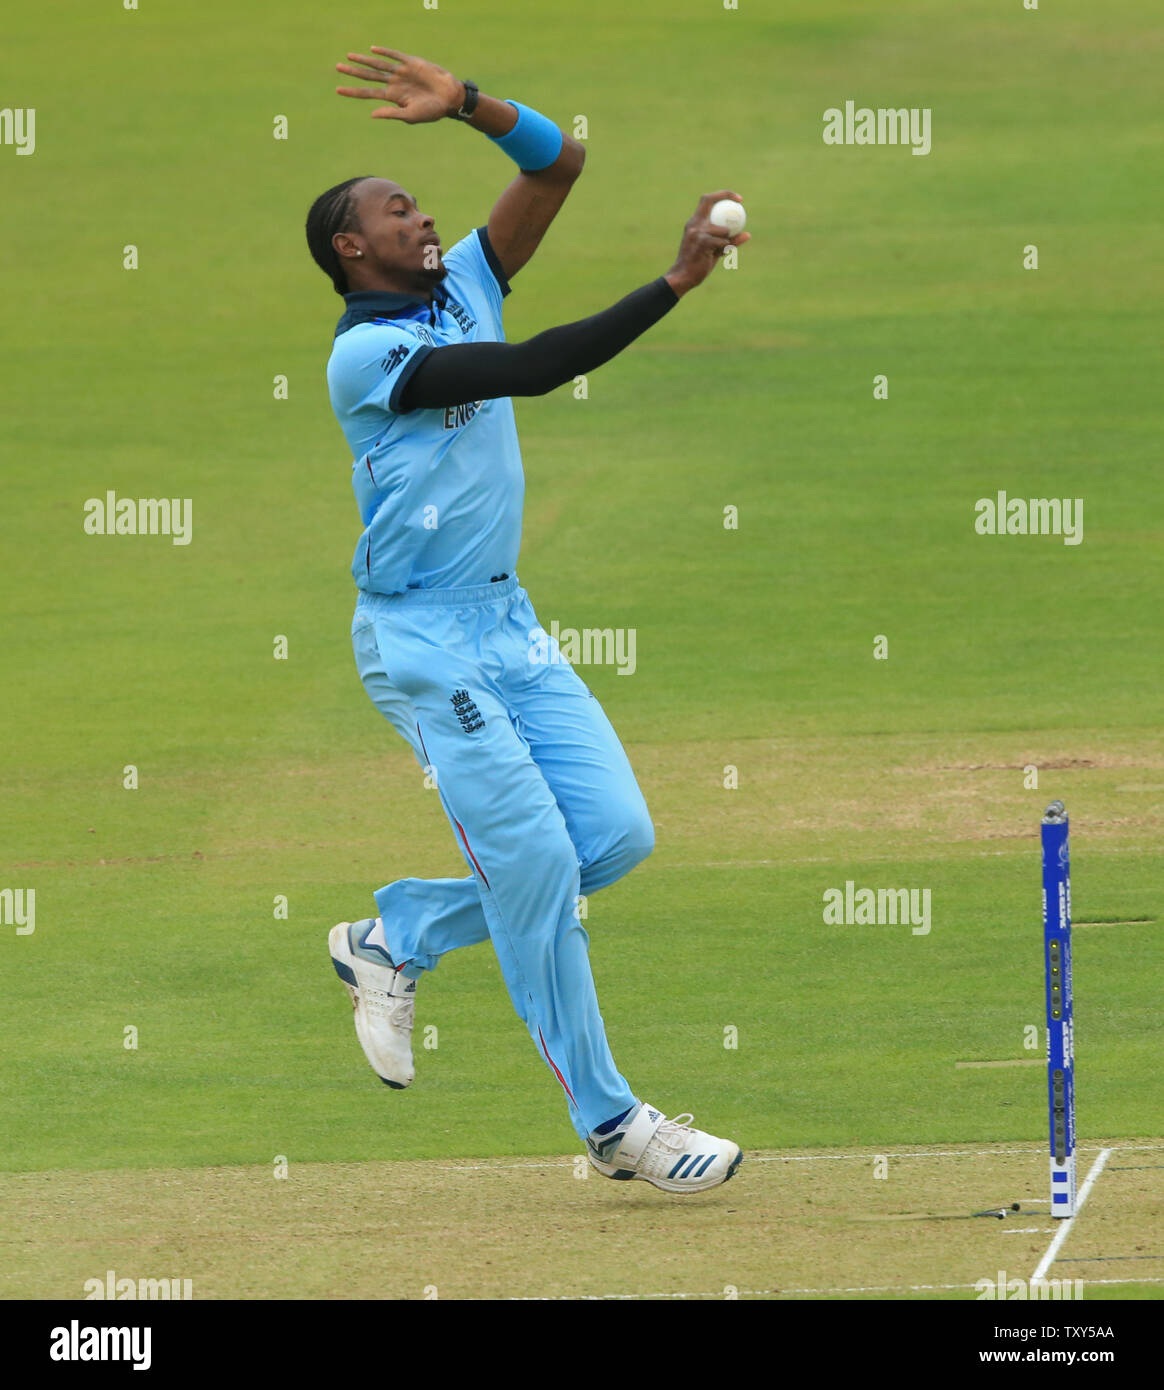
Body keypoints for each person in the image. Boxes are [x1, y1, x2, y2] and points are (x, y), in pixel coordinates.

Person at [306, 46, 749, 1192]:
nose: (423, 213)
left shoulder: (461, 279)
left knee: (611, 840)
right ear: (354, 248)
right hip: (418, 639)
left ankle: (398, 934)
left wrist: (465, 105)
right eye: (398, 209)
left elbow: (560, 165)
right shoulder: (367, 356)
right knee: (541, 859)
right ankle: (616, 1126)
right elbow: (538, 369)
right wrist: (674, 284)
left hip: (508, 623)